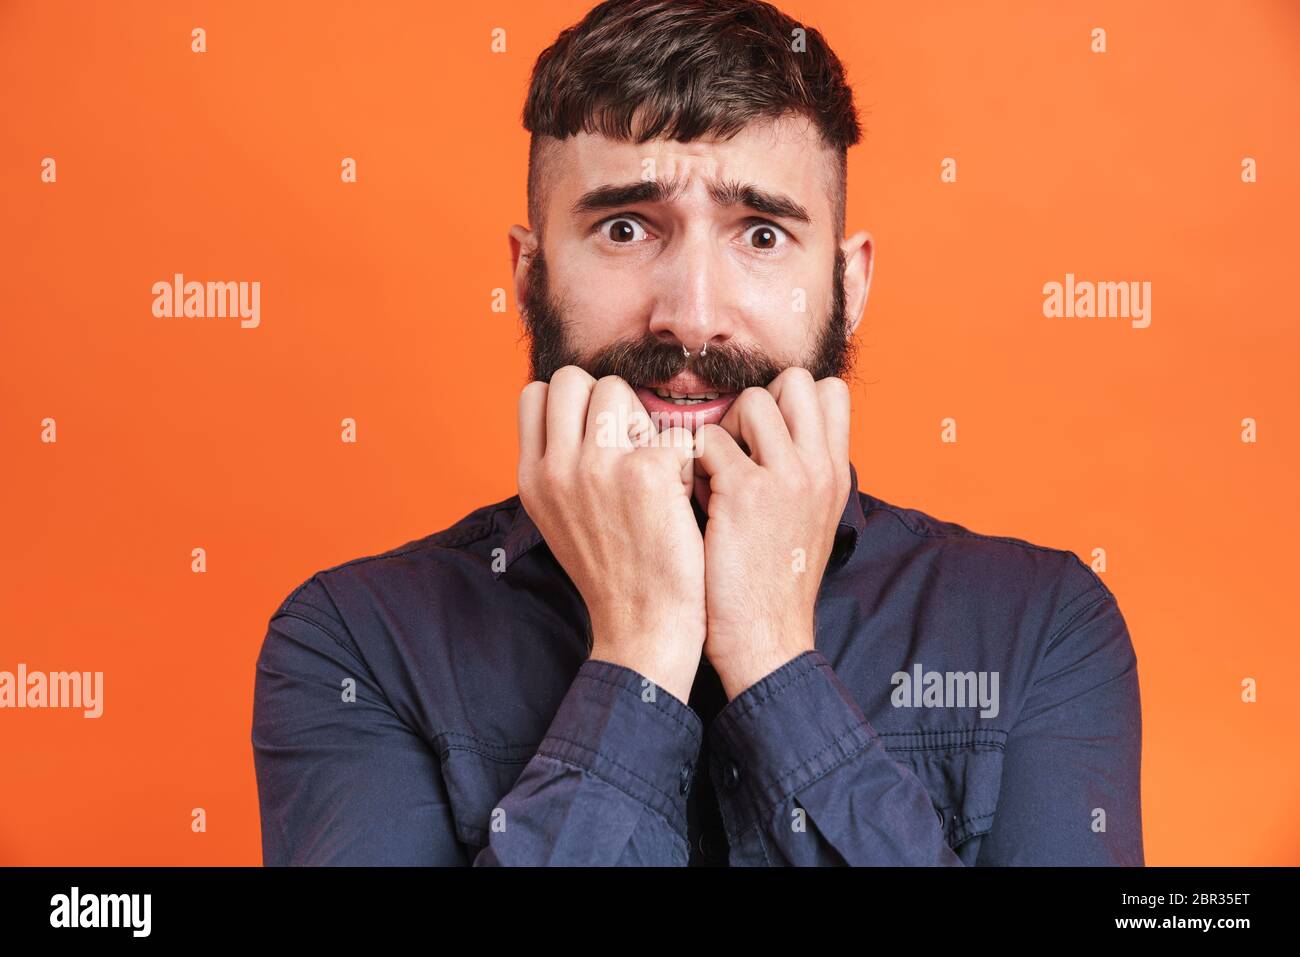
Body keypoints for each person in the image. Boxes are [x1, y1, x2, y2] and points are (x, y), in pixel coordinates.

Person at [252, 0, 1143, 866]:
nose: (690, 317)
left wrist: (770, 655)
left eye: (760, 234)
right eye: (627, 227)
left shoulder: (1040, 628)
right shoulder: (355, 642)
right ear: (528, 278)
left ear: (848, 284)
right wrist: (641, 644)